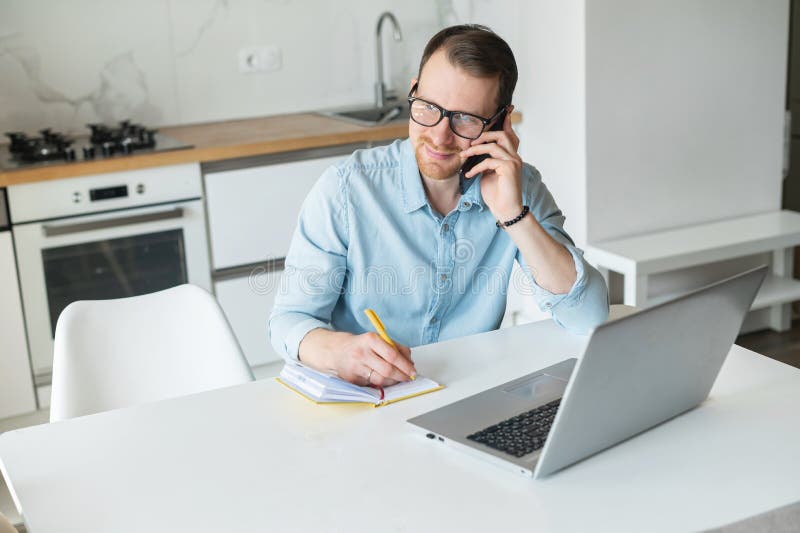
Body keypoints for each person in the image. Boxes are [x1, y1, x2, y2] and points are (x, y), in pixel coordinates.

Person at [269, 24, 608, 388]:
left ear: (501, 121)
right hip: (369, 401)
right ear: (413, 90)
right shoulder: (346, 189)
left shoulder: (519, 188)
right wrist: (340, 352)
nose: (439, 135)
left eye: (466, 118)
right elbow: (289, 321)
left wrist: (514, 216)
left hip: (467, 394)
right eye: (429, 106)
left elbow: (588, 317)